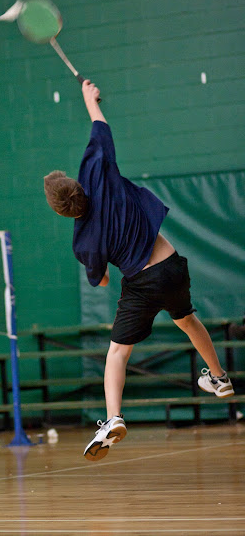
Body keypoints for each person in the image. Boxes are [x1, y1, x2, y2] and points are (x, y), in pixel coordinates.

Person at [43, 81, 234, 462]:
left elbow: (100, 279)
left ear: (61, 211)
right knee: (187, 319)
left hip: (142, 282)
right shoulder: (97, 172)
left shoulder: (82, 242)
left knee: (117, 354)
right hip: (173, 265)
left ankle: (113, 418)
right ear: (78, 185)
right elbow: (101, 128)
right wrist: (89, 100)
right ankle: (219, 377)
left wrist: (104, 268)